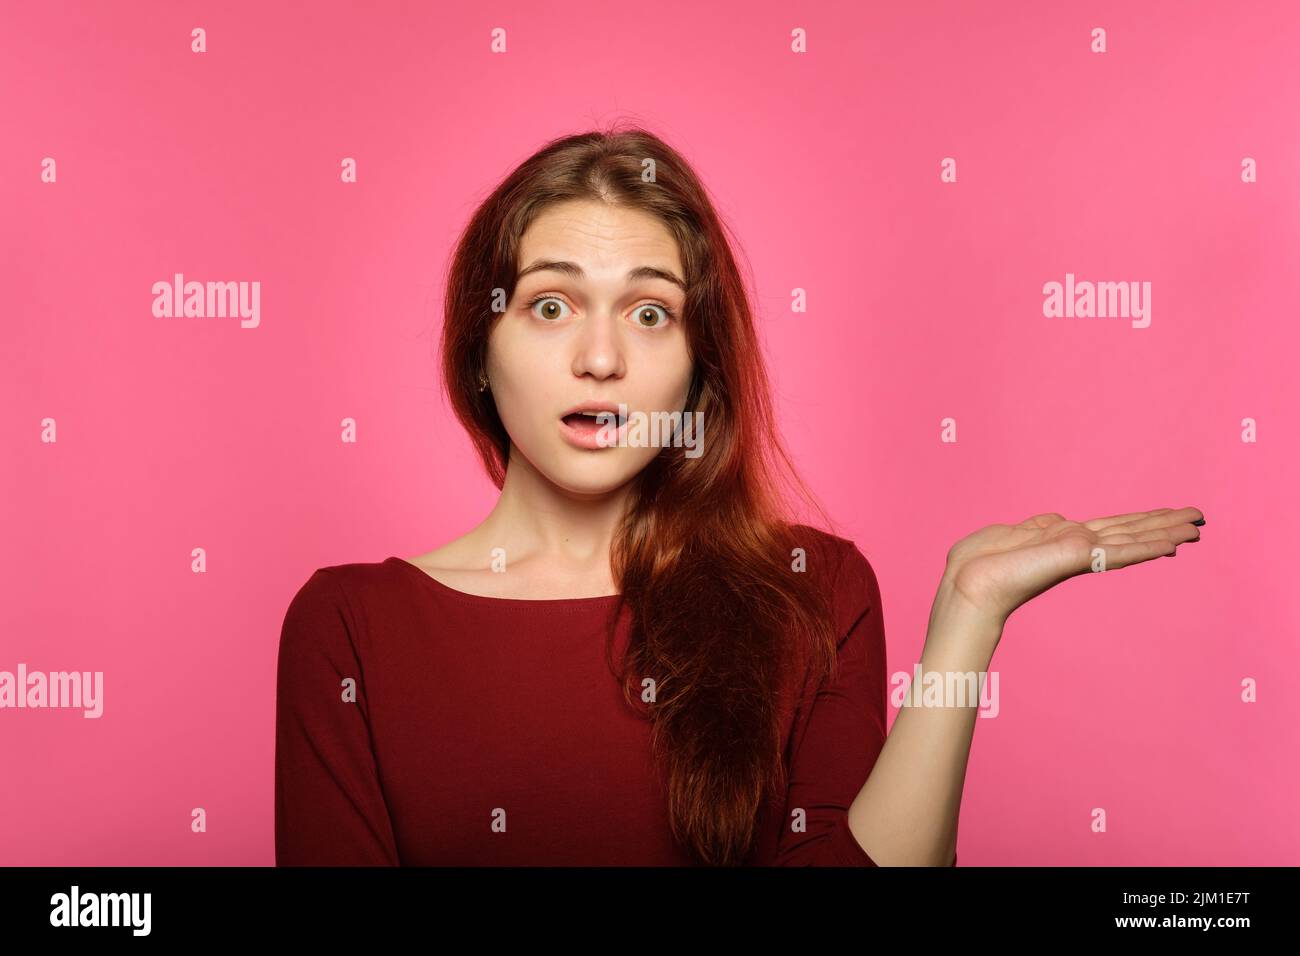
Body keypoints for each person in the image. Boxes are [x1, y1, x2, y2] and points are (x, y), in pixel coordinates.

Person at [274, 125, 1205, 866]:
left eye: (651, 313)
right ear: (481, 347)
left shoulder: (813, 591)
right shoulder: (348, 625)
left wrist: (967, 619)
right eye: (550, 306)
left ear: (697, 368)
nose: (600, 359)